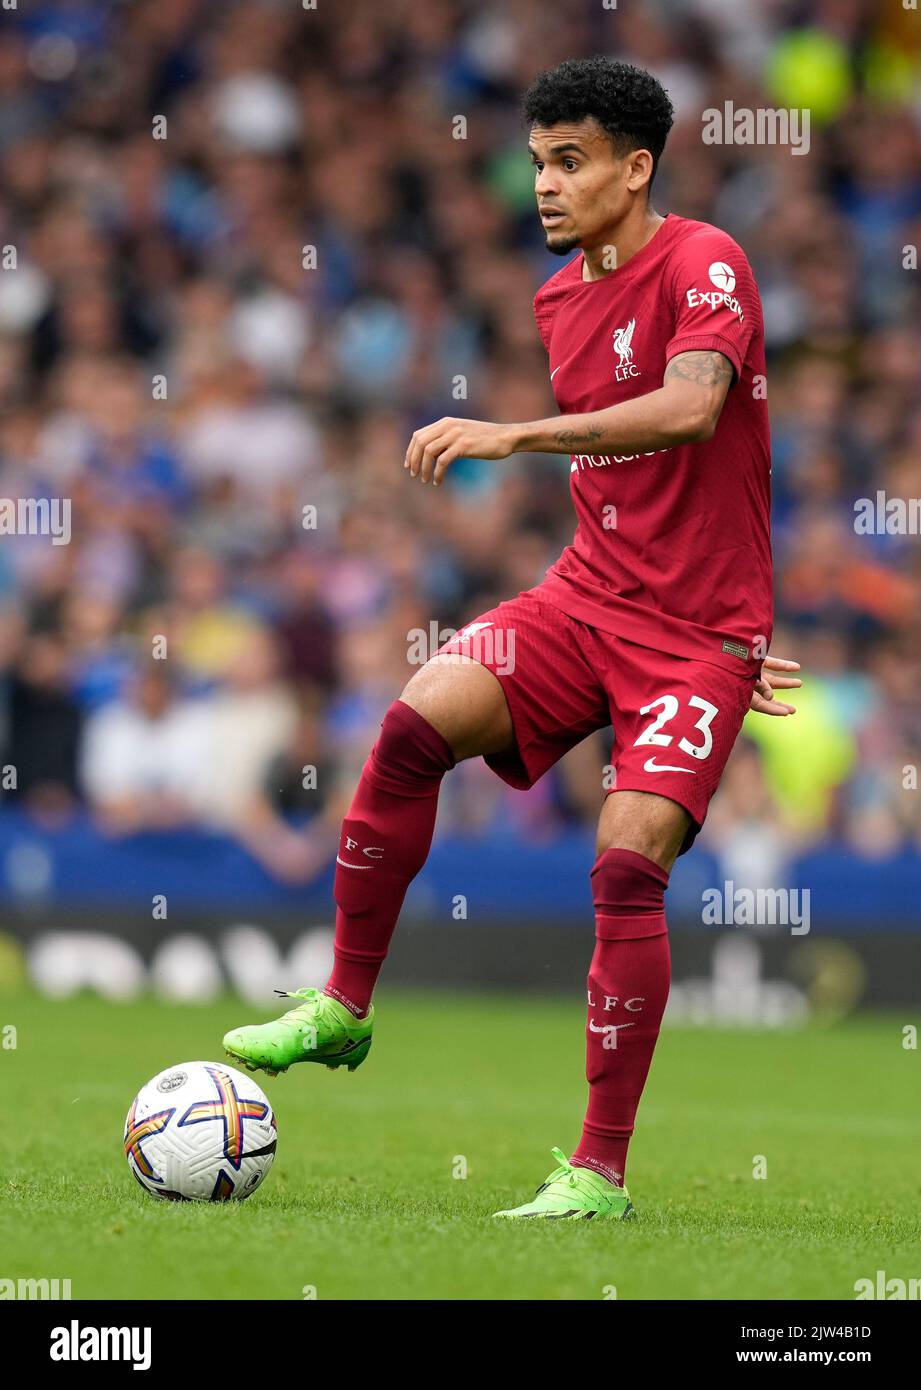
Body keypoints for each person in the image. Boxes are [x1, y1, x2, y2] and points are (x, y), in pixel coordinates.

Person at [222, 57, 801, 1222]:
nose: (543, 184)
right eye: (538, 161)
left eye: (570, 161)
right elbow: (635, 481)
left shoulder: (706, 263)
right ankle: (343, 1005)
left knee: (626, 865)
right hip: (587, 601)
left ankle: (596, 1172)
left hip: (693, 641)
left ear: (637, 169)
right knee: (408, 729)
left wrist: (515, 436)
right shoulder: (557, 298)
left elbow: (691, 409)